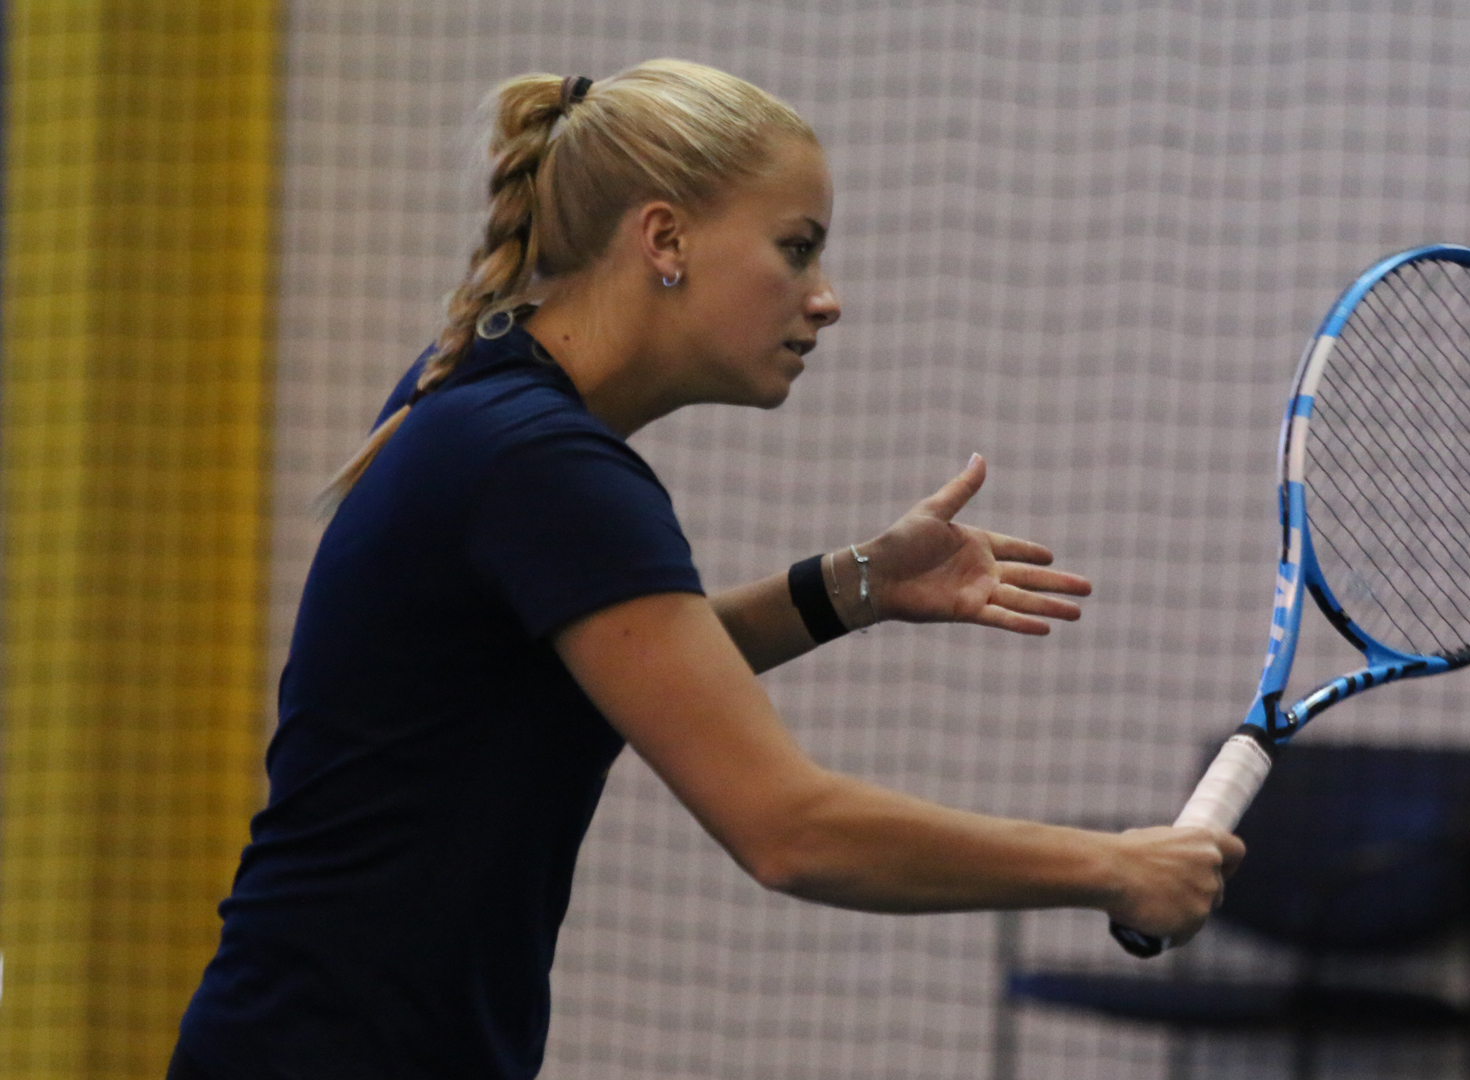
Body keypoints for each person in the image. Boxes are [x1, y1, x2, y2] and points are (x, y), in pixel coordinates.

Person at [171, 59, 1241, 1080]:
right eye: (796, 248)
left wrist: (859, 583)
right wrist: (1112, 866)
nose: (825, 298)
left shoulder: (478, 390)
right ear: (665, 237)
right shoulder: (543, 464)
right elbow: (790, 831)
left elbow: (593, 666)